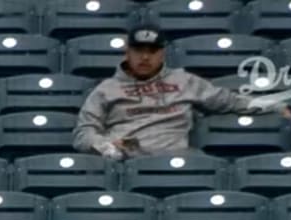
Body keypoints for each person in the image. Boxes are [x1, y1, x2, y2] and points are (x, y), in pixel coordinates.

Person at [73, 28, 260, 160]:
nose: (145, 57)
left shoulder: (184, 81)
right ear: (127, 53)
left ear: (162, 53)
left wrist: (274, 105)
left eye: (152, 51)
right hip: (127, 162)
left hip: (176, 160)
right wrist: (108, 146)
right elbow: (83, 134)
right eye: (138, 51)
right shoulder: (106, 89)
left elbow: (228, 101)